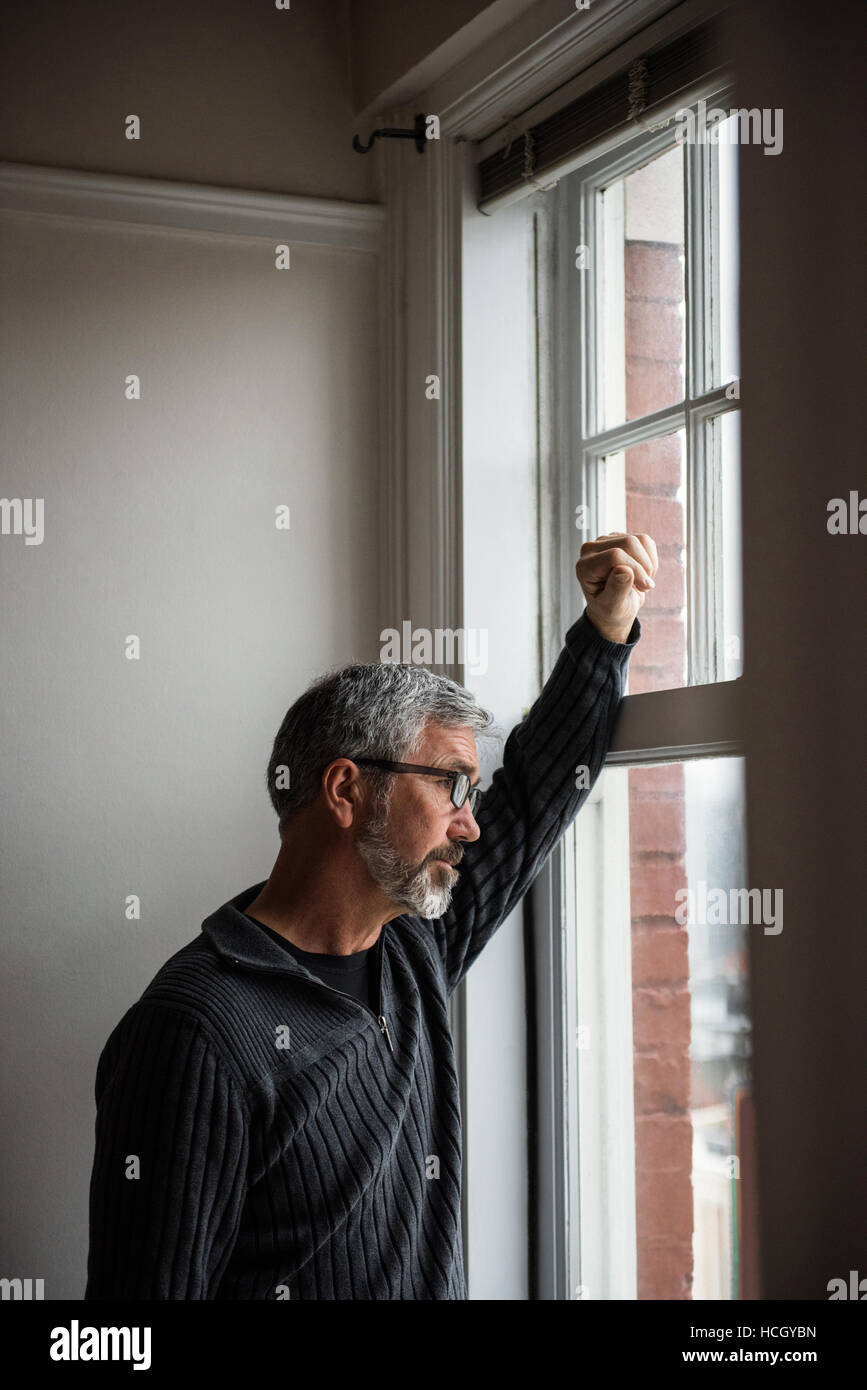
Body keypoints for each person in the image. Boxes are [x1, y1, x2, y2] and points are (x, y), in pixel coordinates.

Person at [84, 531, 656, 1299]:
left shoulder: (412, 947)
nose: (470, 823)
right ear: (347, 790)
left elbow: (531, 800)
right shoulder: (196, 1033)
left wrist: (605, 631)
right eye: (451, 786)